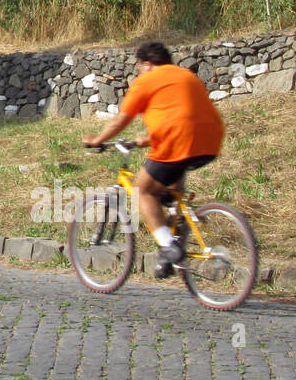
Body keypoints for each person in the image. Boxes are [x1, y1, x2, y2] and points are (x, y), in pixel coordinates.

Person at [82, 41, 224, 276]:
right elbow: (182, 115)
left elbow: (121, 120)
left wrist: (97, 139)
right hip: (209, 141)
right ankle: (171, 251)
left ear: (147, 64)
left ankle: (168, 247)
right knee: (171, 192)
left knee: (142, 190)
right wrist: (145, 140)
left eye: (139, 67)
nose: (138, 71)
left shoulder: (147, 80)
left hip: (177, 141)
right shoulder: (185, 76)